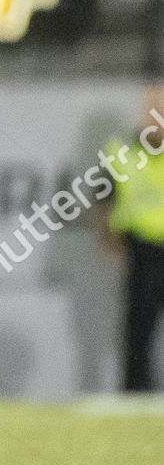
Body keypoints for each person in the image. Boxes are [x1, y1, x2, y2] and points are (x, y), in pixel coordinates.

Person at [100, 86, 164, 392]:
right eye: (154, 109)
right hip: (141, 251)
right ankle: (135, 395)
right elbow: (102, 199)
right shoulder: (121, 153)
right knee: (138, 330)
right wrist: (107, 239)